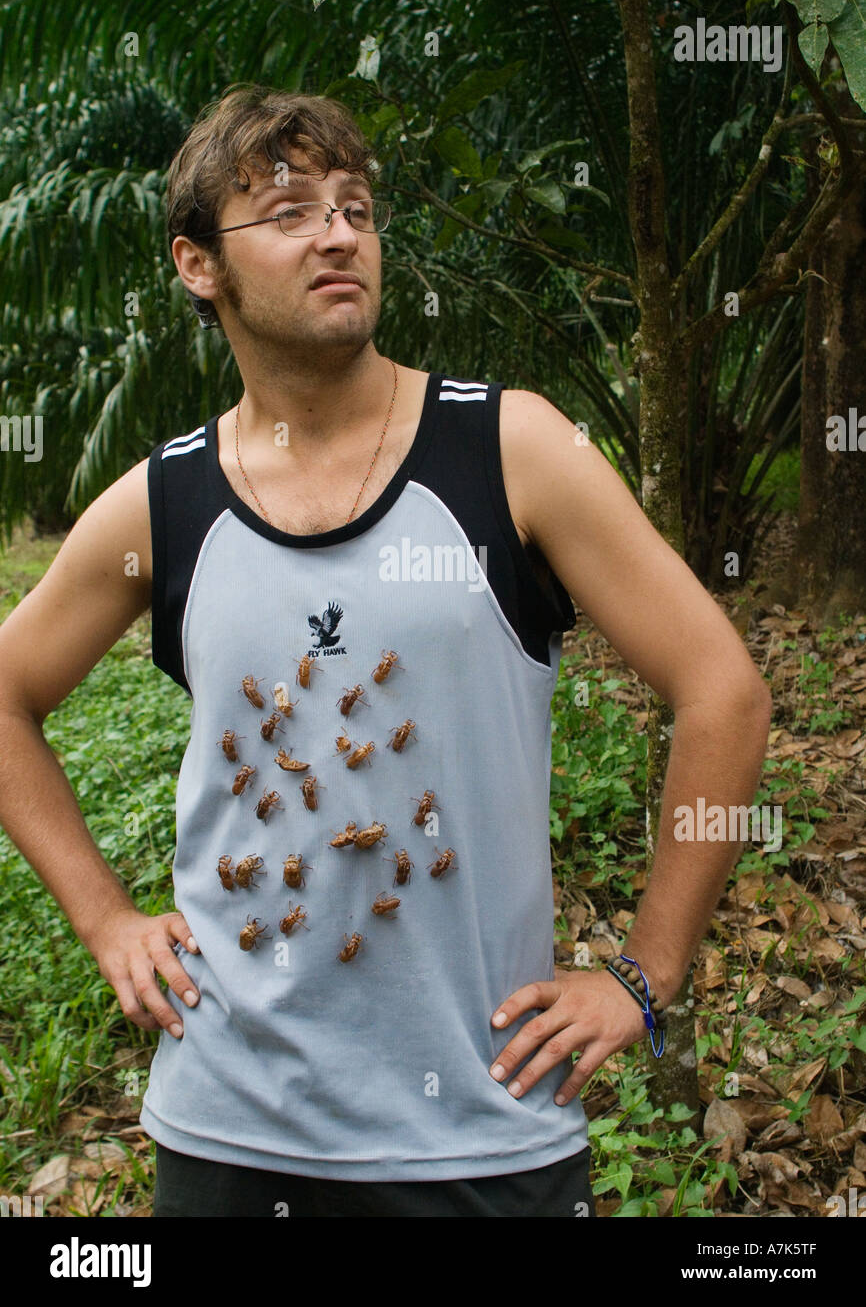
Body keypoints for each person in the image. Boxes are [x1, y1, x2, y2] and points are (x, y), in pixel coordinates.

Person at [0, 84, 771, 1218]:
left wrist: (641, 974)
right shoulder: (165, 504)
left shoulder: (509, 448)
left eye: (356, 207)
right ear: (197, 264)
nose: (338, 233)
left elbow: (724, 692)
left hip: (483, 1129)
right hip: (225, 1132)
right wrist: (106, 919)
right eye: (290, 211)